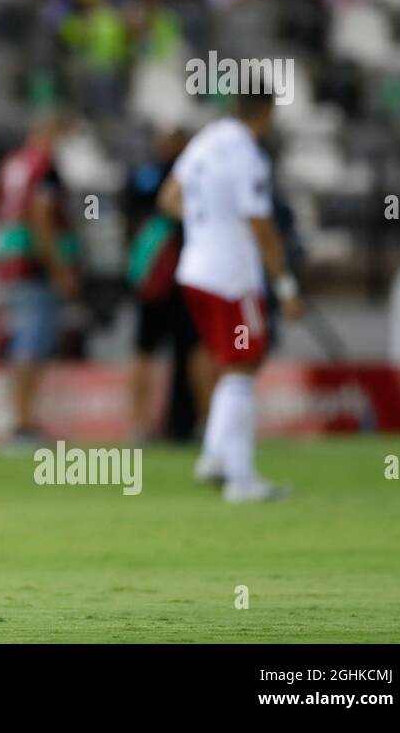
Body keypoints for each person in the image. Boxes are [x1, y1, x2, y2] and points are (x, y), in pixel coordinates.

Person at [158, 92, 303, 503]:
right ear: (268, 112)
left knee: (228, 361)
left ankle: (216, 458)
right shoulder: (247, 156)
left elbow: (168, 199)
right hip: (231, 277)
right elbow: (261, 226)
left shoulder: (205, 140)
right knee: (244, 363)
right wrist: (286, 287)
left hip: (194, 270)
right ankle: (241, 479)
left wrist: (207, 222)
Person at [0, 110, 81, 449]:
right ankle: (23, 423)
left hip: (12, 262)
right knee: (31, 343)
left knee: (21, 340)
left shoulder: (14, 163)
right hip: (35, 266)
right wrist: (60, 270)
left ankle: (23, 419)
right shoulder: (45, 168)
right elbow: (41, 217)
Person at [123, 127, 212, 441]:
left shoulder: (144, 176)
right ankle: (204, 423)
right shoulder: (196, 177)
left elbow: (129, 221)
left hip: (155, 280)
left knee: (148, 350)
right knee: (196, 349)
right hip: (186, 275)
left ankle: (141, 425)